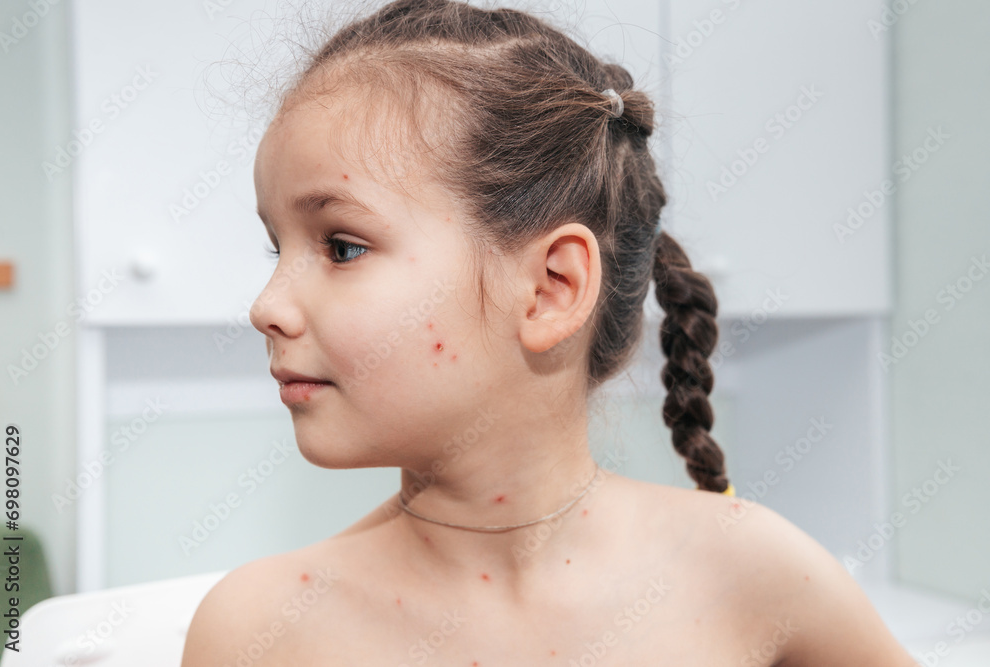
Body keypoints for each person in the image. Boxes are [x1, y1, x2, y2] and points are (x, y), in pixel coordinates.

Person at [182, 0, 916, 663]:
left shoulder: (754, 572)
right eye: (277, 249)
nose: (266, 306)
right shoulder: (259, 632)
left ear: (550, 289)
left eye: (343, 247)